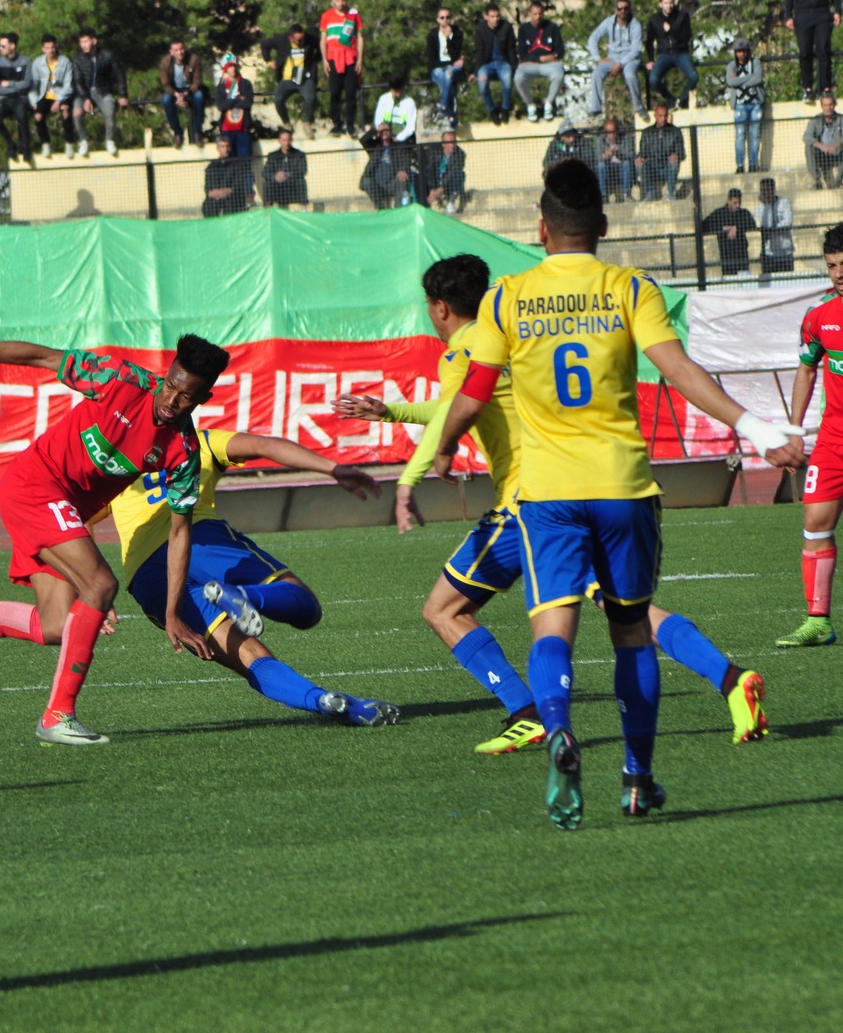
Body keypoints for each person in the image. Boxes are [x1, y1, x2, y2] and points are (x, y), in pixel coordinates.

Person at [427, 159, 804, 828]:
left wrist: (431, 455)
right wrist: (753, 425)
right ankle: (637, 778)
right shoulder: (630, 288)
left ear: (541, 228)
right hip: (625, 485)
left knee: (553, 627)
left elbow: (472, 393)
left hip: (545, 494)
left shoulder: (505, 297)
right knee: (631, 628)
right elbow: (679, 370)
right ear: (601, 226)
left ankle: (559, 727)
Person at [335, 252, 777, 757]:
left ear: (439, 308)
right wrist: (390, 410)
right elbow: (457, 405)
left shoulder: (463, 352)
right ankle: (729, 679)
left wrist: (409, 480)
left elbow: (452, 415)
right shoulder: (514, 335)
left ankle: (528, 714)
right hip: (577, 489)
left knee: (443, 609)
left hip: (528, 505)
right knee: (623, 610)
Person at [0, 331, 230, 745]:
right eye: (169, 386)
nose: (170, 402)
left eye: (185, 398)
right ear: (164, 376)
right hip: (34, 486)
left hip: (62, 509)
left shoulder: (183, 450)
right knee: (101, 585)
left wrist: (173, 613)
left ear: (204, 400)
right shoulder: (120, 380)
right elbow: (40, 354)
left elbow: (181, 532)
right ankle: (58, 716)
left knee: (55, 625)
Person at [102, 429, 396, 725]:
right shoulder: (199, 441)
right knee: (306, 608)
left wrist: (88, 584)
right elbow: (263, 444)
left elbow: (72, 518)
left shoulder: (116, 463)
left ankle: (325, 702)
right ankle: (244, 595)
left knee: (248, 656)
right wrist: (332, 468)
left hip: (146, 572)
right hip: (199, 540)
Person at [781, 225, 843, 647]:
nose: (838, 272)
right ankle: (818, 620)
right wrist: (794, 430)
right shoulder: (819, 316)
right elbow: (806, 368)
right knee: (815, 523)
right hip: (833, 439)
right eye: (832, 265)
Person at [784, 0, 842, 103]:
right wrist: (788, 16)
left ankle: (825, 88)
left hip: (822, 13)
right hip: (802, 15)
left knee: (823, 50)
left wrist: (838, 11)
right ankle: (808, 89)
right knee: (805, 52)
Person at [70, 29, 128, 157]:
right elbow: (78, 81)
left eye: (86, 41)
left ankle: (109, 140)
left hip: (103, 90)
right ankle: (83, 140)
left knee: (109, 110)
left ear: (94, 41)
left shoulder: (107, 55)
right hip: (84, 93)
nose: (83, 45)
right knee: (76, 112)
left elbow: (120, 75)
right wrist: (85, 98)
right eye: (81, 42)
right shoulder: (78, 59)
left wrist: (123, 94)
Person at [586, 0, 645, 116]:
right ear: (616, 10)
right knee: (597, 73)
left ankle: (638, 107)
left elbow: (636, 50)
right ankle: (596, 108)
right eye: (620, 8)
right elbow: (593, 38)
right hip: (613, 57)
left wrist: (620, 64)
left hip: (630, 58)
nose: (623, 11)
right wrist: (597, 57)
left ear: (630, 10)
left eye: (625, 8)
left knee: (630, 75)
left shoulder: (635, 25)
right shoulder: (609, 22)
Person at [319, 0, 364, 137]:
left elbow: (360, 37)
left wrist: (360, 60)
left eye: (343, 0)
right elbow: (323, 39)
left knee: (351, 93)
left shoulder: (353, 15)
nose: (341, 3)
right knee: (335, 92)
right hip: (333, 58)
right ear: (333, 0)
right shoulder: (326, 16)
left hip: (350, 57)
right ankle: (337, 124)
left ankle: (351, 124)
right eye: (338, 0)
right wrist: (325, 60)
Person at [514, 0, 566, 122]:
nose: (538, 17)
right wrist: (539, 58)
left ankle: (549, 103)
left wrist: (550, 58)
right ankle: (530, 105)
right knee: (518, 78)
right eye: (535, 14)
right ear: (530, 14)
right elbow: (522, 54)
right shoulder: (524, 29)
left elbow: (560, 51)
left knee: (559, 74)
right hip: (530, 65)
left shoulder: (552, 27)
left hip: (550, 64)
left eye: (540, 14)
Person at [644, 0, 697, 110]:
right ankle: (670, 98)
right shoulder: (654, 19)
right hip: (664, 54)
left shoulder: (682, 16)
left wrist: (671, 30)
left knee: (693, 76)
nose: (669, 6)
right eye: (666, 3)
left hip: (681, 52)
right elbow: (649, 41)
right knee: (653, 80)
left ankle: (682, 99)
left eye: (671, 3)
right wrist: (650, 59)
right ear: (660, 4)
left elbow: (686, 37)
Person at [260, 25, 318, 131]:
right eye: (299, 40)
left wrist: (315, 59)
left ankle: (307, 123)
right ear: (291, 38)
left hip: (305, 78)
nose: (302, 42)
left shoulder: (310, 39)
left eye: (303, 39)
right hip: (287, 79)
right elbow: (264, 44)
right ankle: (286, 123)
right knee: (278, 99)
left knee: (311, 98)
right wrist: (268, 61)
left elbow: (323, 45)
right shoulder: (281, 39)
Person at [0, 32, 35, 164]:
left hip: (20, 98)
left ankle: (25, 146)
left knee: (22, 115)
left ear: (12, 46)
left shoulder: (25, 61)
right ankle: (11, 144)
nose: (0, 49)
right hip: (5, 99)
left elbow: (27, 83)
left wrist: (10, 84)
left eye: (3, 46)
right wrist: (16, 88)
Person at [30, 35, 75, 157]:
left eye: (53, 47)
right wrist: (34, 101)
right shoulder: (38, 63)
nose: (51, 50)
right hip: (45, 95)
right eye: (48, 48)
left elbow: (69, 85)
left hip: (61, 94)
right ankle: (46, 144)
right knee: (38, 117)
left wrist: (59, 100)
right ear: (43, 49)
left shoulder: (65, 61)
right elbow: (33, 86)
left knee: (65, 111)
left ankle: (69, 143)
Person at [158, 39, 207, 150]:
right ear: (171, 52)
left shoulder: (193, 59)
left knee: (199, 97)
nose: (180, 52)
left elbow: (197, 81)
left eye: (181, 49)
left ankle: (198, 132)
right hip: (174, 90)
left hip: (190, 89)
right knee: (166, 100)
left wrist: (186, 93)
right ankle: (177, 133)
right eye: (176, 50)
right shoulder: (165, 62)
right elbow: (165, 84)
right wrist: (176, 94)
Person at [472, 4, 516, 124]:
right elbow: (479, 52)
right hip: (487, 64)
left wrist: (514, 67)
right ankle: (492, 110)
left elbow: (511, 49)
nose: (495, 19)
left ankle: (505, 108)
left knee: (507, 80)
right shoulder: (480, 29)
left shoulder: (506, 27)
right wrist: (475, 72)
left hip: (503, 63)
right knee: (482, 83)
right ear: (486, 17)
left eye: (497, 16)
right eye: (492, 17)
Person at [426, 7, 468, 131]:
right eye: (442, 18)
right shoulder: (432, 35)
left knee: (449, 74)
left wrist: (448, 39)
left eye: (448, 17)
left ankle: (444, 106)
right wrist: (452, 62)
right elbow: (432, 59)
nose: (445, 20)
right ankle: (450, 113)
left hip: (451, 69)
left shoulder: (457, 33)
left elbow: (455, 54)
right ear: (437, 20)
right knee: (446, 76)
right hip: (438, 68)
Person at [726, 39, 765, 173]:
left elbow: (758, 78)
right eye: (738, 52)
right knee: (740, 135)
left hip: (755, 103)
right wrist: (749, 78)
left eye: (743, 51)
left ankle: (753, 164)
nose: (741, 55)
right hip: (740, 104)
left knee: (755, 135)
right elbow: (730, 82)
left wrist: (739, 81)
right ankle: (740, 165)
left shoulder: (756, 63)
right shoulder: (731, 65)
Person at [214, 57, 254, 178]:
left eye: (234, 66)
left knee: (245, 161)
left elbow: (247, 103)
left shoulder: (245, 84)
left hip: (243, 129)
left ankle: (248, 192)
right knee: (229, 161)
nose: (233, 69)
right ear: (225, 69)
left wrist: (229, 103)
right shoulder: (221, 87)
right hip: (227, 130)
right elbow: (221, 106)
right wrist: (236, 99)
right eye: (230, 67)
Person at [701, 187, 756, 275]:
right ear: (728, 200)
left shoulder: (744, 213)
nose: (737, 205)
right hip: (726, 257)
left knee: (745, 283)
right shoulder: (719, 214)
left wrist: (736, 228)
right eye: (735, 203)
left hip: (742, 257)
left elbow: (752, 224)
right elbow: (703, 226)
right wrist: (723, 228)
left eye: (739, 203)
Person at [359, 123, 414, 209]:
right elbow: (363, 140)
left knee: (402, 179)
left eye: (387, 130)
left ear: (391, 132)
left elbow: (406, 158)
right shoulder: (375, 147)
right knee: (366, 181)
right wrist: (375, 130)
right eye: (382, 131)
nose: (384, 132)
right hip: (377, 185)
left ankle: (398, 210)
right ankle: (382, 208)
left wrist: (403, 169)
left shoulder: (397, 147)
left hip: (392, 183)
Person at [638, 102, 685, 200]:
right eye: (660, 116)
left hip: (667, 167)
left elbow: (681, 152)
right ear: (655, 116)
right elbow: (642, 152)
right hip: (652, 166)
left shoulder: (675, 131)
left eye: (665, 116)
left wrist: (676, 155)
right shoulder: (647, 133)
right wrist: (639, 158)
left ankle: (671, 192)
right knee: (639, 163)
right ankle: (650, 192)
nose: (663, 118)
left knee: (674, 162)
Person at [202, 137, 252, 216]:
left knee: (232, 205)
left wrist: (227, 191)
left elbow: (238, 184)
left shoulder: (238, 164)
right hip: (217, 197)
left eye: (227, 146)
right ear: (218, 148)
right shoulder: (211, 166)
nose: (226, 149)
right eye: (222, 146)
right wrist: (217, 193)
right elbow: (208, 186)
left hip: (233, 197)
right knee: (208, 205)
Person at [804, 92, 843, 188]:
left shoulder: (841, 119)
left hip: (838, 154)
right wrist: (821, 146)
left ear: (834, 105)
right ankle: (817, 180)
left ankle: (839, 180)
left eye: (830, 105)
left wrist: (837, 144)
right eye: (825, 105)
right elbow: (806, 136)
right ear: (821, 106)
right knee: (808, 147)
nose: (828, 108)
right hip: (822, 156)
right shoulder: (815, 120)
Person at [423, 131, 467, 213]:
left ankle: (451, 200)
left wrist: (441, 189)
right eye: (449, 142)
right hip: (435, 182)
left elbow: (452, 173)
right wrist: (432, 189)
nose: (452, 145)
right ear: (443, 144)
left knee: (460, 175)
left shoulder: (460, 154)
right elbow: (429, 170)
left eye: (454, 142)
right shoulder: (433, 151)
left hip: (448, 184)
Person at [261, 129, 308, 209]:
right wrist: (275, 176)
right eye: (284, 140)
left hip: (293, 185)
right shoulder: (272, 155)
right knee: (267, 184)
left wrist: (287, 175)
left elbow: (302, 170)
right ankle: (267, 212)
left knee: (301, 182)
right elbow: (265, 172)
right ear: (279, 141)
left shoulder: (299, 154)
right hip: (277, 186)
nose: (286, 143)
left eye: (288, 140)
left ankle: (304, 210)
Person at [758, 177, 795, 273]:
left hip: (785, 252)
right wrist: (767, 206)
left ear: (773, 190)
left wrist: (773, 231)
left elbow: (788, 222)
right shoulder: (760, 208)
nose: (765, 193)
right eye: (763, 190)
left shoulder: (784, 203)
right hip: (768, 253)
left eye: (767, 190)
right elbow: (764, 225)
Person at [594, 117, 635, 202]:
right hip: (608, 168)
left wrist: (620, 155)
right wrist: (605, 155)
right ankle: (603, 196)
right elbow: (596, 157)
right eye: (609, 132)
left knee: (626, 164)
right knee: (600, 166)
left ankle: (627, 194)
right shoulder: (600, 140)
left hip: (621, 167)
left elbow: (631, 155)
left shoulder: (626, 137)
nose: (612, 135)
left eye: (614, 131)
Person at [372, 75, 417, 143]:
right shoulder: (383, 99)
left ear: (402, 89)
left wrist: (397, 139)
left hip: (402, 139)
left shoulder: (410, 102)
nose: (395, 94)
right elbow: (378, 121)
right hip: (386, 137)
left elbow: (410, 128)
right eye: (393, 91)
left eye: (397, 91)